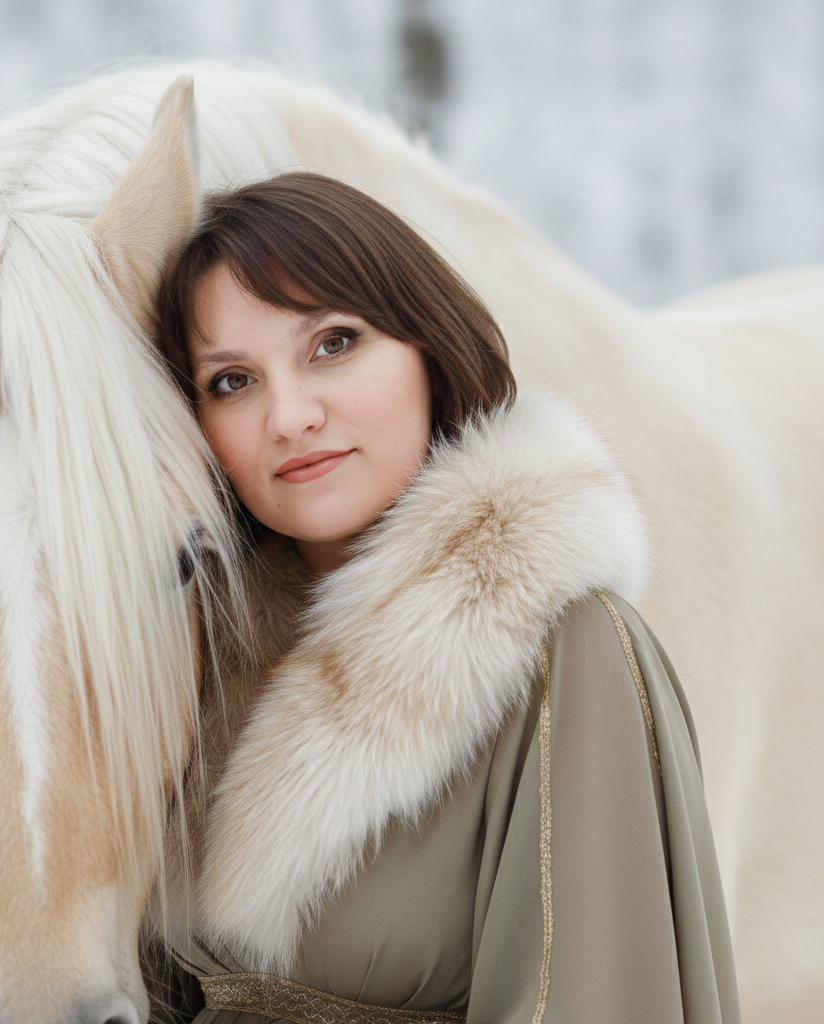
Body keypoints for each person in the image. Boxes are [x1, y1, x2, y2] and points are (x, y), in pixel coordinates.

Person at [154, 172, 741, 1024]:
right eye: (232, 382)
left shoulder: (563, 648)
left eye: (333, 344)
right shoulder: (194, 655)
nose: (289, 416)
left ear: (429, 346)